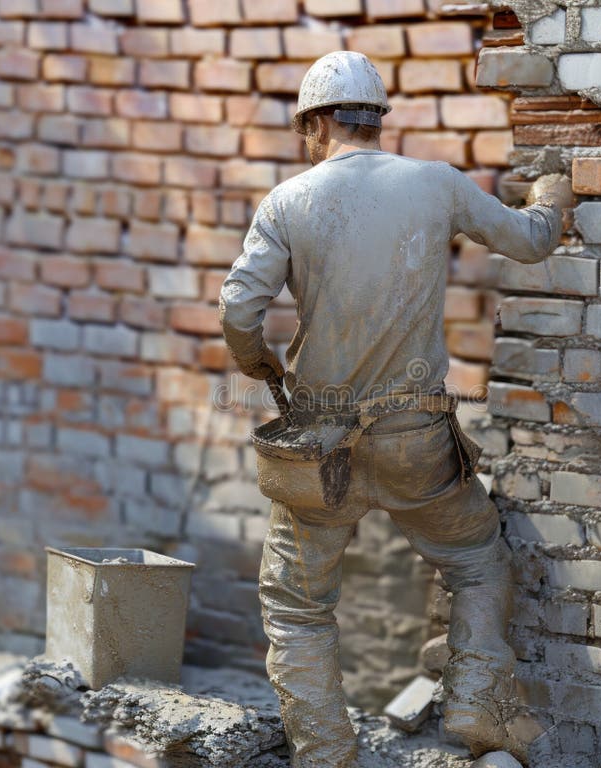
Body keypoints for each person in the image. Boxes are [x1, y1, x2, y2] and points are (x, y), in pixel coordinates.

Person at [219, 51, 572, 768]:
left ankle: (325, 754)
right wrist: (553, 192)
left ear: (315, 123)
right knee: (475, 558)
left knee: (296, 606)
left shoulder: (288, 201)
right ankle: (474, 698)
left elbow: (237, 306)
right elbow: (533, 241)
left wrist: (254, 360)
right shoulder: (436, 183)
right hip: (416, 440)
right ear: (375, 119)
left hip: (321, 448)